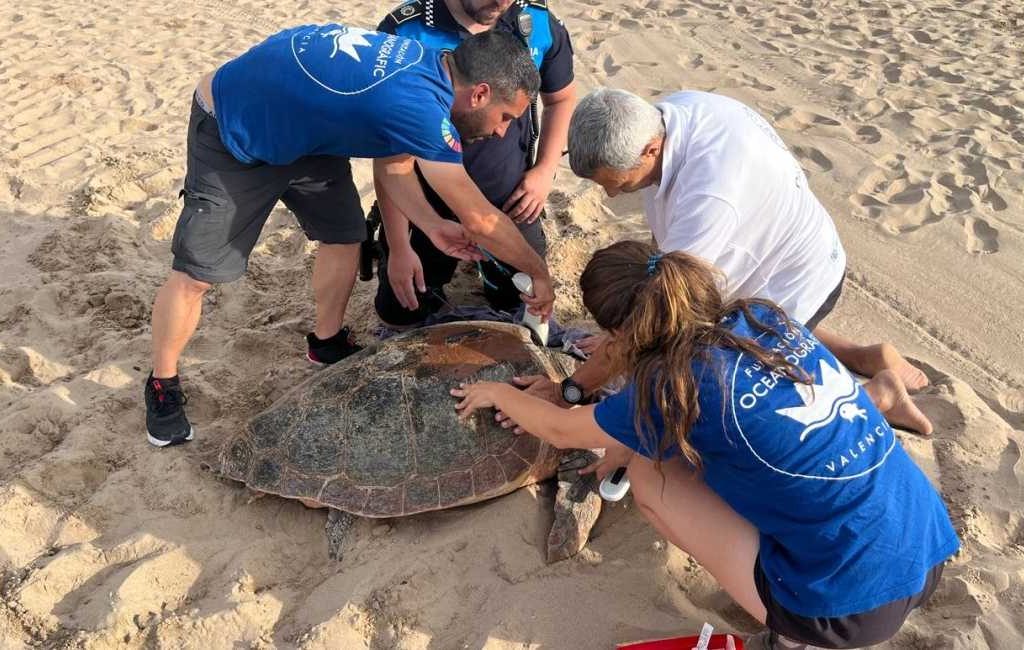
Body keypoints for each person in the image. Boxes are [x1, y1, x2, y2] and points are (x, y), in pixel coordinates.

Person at [451, 241, 960, 650]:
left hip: (847, 613)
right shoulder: (764, 317)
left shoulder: (670, 387)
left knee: (651, 475)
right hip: (928, 550)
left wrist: (493, 391)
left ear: (621, 334)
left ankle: (790, 638)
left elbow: (561, 430)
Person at [144, 25, 555, 447]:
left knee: (345, 236)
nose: (504, 132)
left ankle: (326, 342)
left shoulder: (431, 68)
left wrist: (430, 226)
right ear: (480, 93)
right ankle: (162, 383)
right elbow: (481, 219)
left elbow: (395, 167)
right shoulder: (418, 105)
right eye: (506, 117)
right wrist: (538, 273)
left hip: (308, 135)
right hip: (234, 130)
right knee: (198, 274)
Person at [519, 88, 932, 436]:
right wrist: (613, 347)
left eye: (615, 182)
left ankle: (877, 397)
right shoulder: (669, 114)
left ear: (650, 149)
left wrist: (572, 388)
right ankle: (864, 355)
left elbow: (657, 318)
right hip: (768, 258)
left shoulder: (709, 197)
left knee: (737, 412)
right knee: (731, 318)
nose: (609, 195)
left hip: (801, 276)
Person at [371, 0, 575, 325]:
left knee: (519, 302)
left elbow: (561, 97)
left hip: (509, 199)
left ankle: (491, 270)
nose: (501, 4)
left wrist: (546, 169)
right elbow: (390, 158)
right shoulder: (405, 30)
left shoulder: (534, 22)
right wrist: (397, 245)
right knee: (401, 310)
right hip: (425, 204)